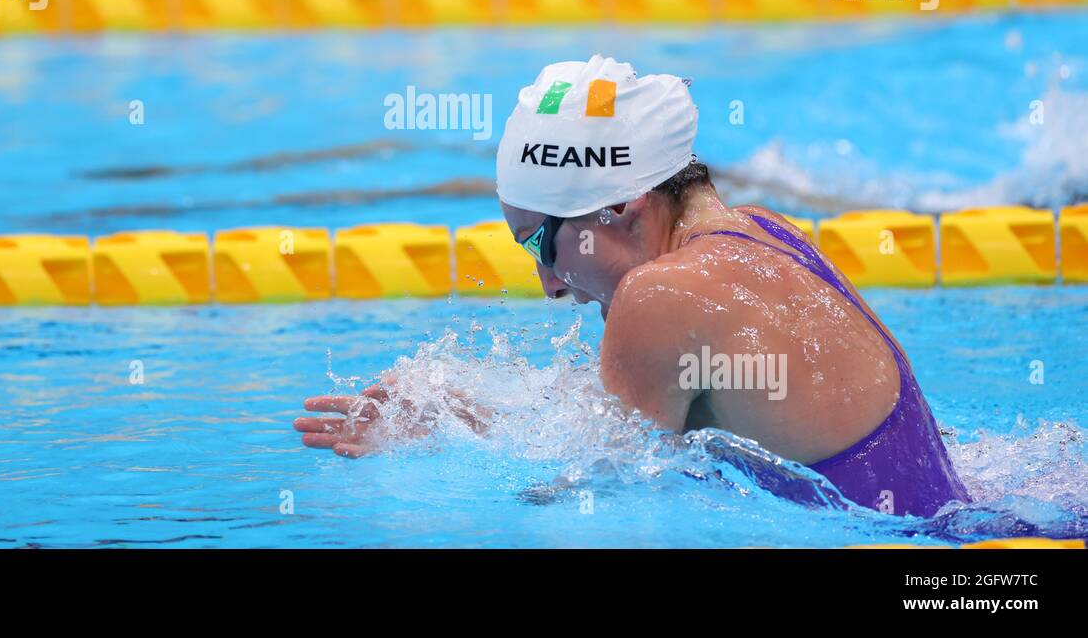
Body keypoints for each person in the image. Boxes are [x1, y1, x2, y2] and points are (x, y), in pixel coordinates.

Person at [295, 55, 970, 517]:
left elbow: (587, 492)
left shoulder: (658, 296)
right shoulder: (767, 231)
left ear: (619, 206)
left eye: (540, 244)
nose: (550, 285)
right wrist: (458, 414)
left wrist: (439, 462)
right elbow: (615, 437)